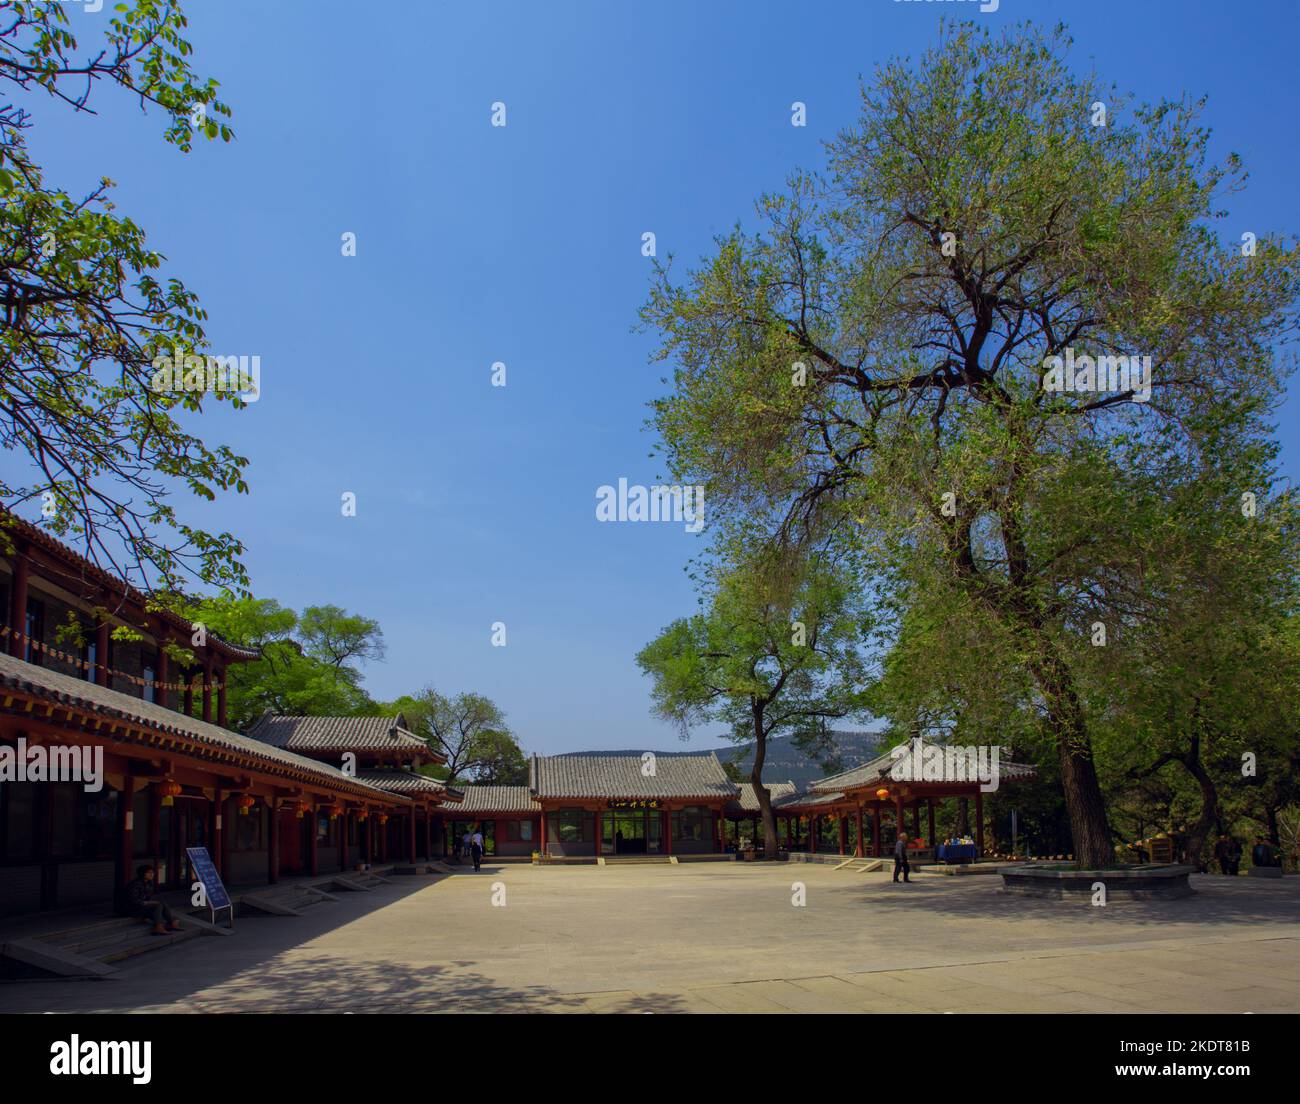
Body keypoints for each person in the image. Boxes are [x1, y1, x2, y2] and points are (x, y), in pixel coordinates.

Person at [125, 865, 182, 935]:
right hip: (134, 909)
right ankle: (162, 925)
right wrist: (149, 903)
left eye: (152, 872)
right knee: (157, 905)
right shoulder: (135, 884)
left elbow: (151, 896)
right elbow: (134, 901)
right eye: (149, 873)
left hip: (143, 907)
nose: (152, 874)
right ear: (142, 873)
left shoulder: (149, 883)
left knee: (160, 903)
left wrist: (151, 902)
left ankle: (167, 923)